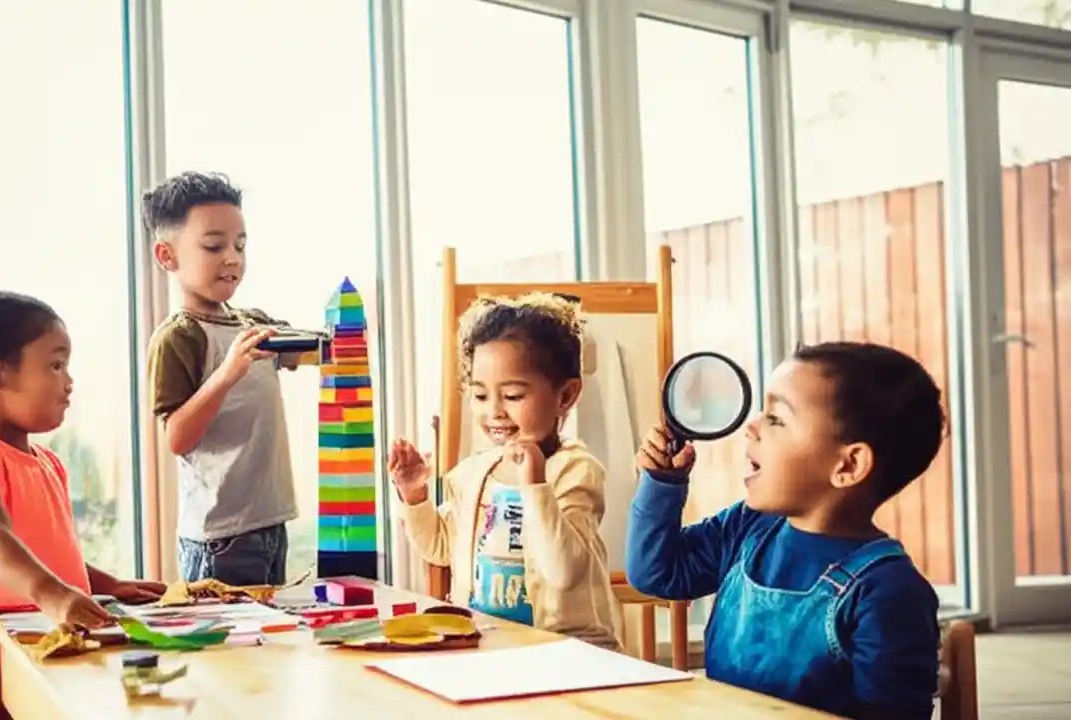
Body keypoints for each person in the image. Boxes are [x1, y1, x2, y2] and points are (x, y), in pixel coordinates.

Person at [626, 341, 943, 719]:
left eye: (776, 418)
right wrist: (662, 482)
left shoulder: (890, 593)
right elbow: (658, 573)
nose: (752, 427)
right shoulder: (749, 527)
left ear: (849, 464)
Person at [0, 289, 166, 720]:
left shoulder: (47, 463)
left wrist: (107, 584)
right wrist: (53, 595)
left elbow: (47, 556)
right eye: (55, 365)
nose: (69, 380)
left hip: (45, 635)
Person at [388, 293, 622, 650]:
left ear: (565, 396)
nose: (494, 411)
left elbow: (562, 573)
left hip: (568, 652)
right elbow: (440, 548)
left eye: (512, 395)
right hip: (492, 648)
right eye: (481, 396)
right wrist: (414, 495)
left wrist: (535, 485)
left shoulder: (574, 470)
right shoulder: (476, 472)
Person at [143, 171, 304, 587]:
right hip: (220, 538)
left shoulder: (254, 324)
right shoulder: (178, 337)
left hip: (271, 522)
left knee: (268, 644)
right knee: (229, 649)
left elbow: (316, 351)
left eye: (240, 245)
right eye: (214, 246)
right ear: (167, 256)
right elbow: (176, 438)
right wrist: (227, 372)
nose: (232, 257)